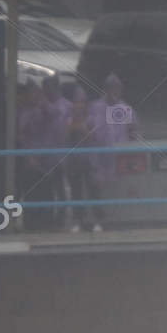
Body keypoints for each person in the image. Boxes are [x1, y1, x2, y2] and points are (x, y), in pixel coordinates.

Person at [87, 73, 137, 231]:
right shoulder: (95, 107)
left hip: (120, 158)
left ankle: (119, 221)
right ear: (105, 89)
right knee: (99, 190)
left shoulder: (125, 108)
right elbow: (88, 130)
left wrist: (131, 151)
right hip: (99, 157)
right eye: (110, 87)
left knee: (119, 189)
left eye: (116, 88)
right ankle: (99, 221)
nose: (113, 91)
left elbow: (133, 131)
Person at [14, 80, 52, 231]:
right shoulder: (21, 112)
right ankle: (30, 223)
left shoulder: (43, 109)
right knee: (29, 192)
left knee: (44, 191)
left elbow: (51, 118)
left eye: (37, 93)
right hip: (28, 158)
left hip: (43, 158)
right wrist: (28, 156)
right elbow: (20, 135)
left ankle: (44, 222)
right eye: (32, 93)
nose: (34, 96)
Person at [63, 88, 100, 232]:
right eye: (76, 102)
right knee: (76, 192)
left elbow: (94, 138)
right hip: (74, 161)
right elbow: (64, 139)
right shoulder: (68, 120)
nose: (79, 106)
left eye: (82, 102)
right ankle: (78, 221)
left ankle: (97, 220)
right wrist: (71, 128)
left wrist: (84, 129)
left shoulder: (91, 119)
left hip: (90, 160)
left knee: (93, 190)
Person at [40, 76, 72, 229]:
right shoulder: (40, 105)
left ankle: (61, 221)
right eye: (44, 88)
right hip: (44, 155)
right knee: (45, 191)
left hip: (62, 155)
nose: (46, 91)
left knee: (61, 191)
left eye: (49, 88)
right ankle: (46, 220)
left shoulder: (67, 106)